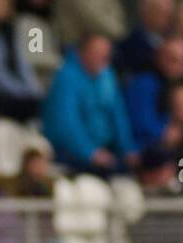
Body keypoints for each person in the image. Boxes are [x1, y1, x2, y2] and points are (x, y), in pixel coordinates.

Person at [42, 33, 138, 177]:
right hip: (70, 152)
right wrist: (90, 153)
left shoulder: (107, 75)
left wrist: (128, 148)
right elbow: (66, 124)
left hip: (105, 149)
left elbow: (118, 115)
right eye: (97, 54)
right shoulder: (65, 77)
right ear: (82, 52)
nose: (102, 60)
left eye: (105, 56)